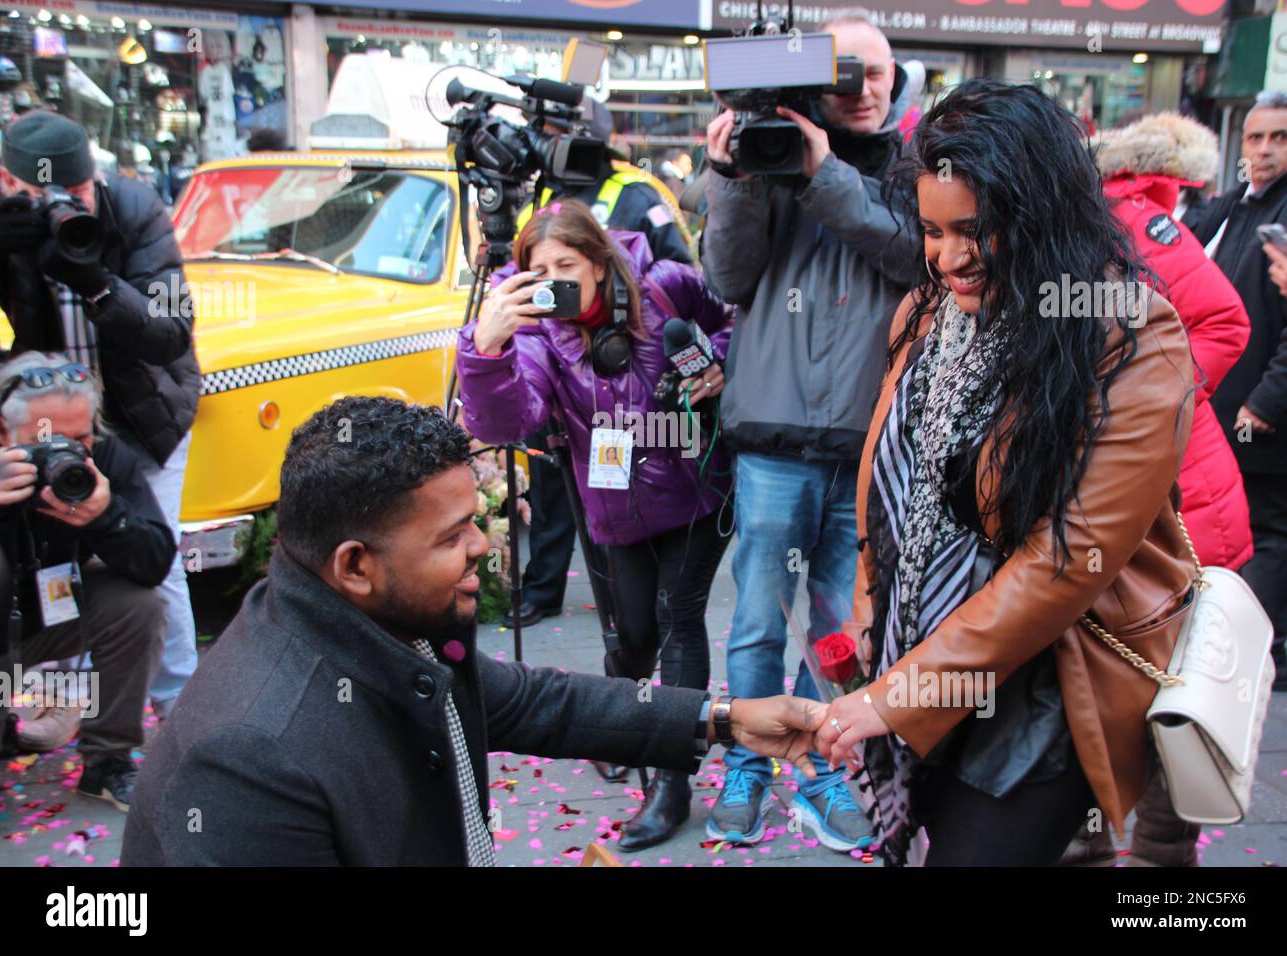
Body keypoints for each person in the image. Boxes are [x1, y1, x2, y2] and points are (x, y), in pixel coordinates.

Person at [121, 397, 825, 866]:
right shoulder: (248, 763)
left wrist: (724, 720)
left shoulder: (384, 624)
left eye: (477, 519)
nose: (484, 547)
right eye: (453, 535)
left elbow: (534, 703)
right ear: (357, 566)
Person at [815, 81, 1198, 867]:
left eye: (975, 231)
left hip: (1049, 687)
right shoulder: (924, 313)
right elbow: (883, 503)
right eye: (930, 230)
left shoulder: (1130, 335)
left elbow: (1065, 565)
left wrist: (900, 692)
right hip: (925, 662)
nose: (949, 257)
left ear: (1039, 217)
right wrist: (873, 645)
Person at [699, 11, 919, 851]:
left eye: (877, 73)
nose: (862, 90)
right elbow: (729, 276)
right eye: (845, 72)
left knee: (837, 626)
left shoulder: (914, 168)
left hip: (868, 446)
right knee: (757, 617)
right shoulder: (766, 155)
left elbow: (908, 256)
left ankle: (829, 764)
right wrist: (735, 176)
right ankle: (750, 763)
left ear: (896, 80)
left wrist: (824, 173)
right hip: (772, 443)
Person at [456, 199, 732, 851]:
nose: (553, 278)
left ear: (601, 261)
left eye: (567, 264)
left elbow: (727, 320)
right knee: (632, 639)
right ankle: (619, 718)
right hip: (610, 503)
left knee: (678, 617)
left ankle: (671, 783)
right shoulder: (536, 333)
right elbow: (504, 424)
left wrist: (718, 363)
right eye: (538, 267)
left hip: (698, 491)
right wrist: (487, 348)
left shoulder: (665, 285)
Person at [1056, 111, 1255, 868]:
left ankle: (1163, 859)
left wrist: (1145, 406)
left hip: (1178, 498)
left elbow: (1222, 321)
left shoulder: (1131, 222)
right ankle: (1086, 843)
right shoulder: (1018, 233)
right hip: (1084, 503)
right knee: (1082, 673)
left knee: (1180, 685)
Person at [0, 110, 202, 732]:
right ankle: (71, 707)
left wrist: (96, 283)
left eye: (77, 195)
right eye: (42, 196)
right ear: (6, 182)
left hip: (141, 415)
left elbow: (171, 331)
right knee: (50, 552)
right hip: (41, 419)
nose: (63, 205)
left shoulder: (133, 207)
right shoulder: (3, 222)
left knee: (154, 565)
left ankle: (181, 711)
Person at [503, 97, 695, 632]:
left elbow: (678, 278)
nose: (548, 145)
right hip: (561, 384)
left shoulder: (633, 192)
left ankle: (637, 600)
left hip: (626, 381)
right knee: (550, 490)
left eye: (557, 133)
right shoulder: (537, 200)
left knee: (633, 495)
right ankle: (543, 588)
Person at [0, 353, 173, 809]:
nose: (66, 456)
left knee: (138, 606)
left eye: (80, 439)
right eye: (48, 441)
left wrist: (107, 517)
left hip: (45, 619)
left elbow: (156, 561)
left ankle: (107, 762)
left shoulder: (102, 458)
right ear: (2, 429)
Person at [1191, 89, 1287, 692]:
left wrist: (1268, 402)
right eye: (1255, 137)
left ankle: (1265, 658)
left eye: (1280, 137)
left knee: (1266, 531)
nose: (1262, 149)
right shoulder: (1235, 205)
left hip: (1263, 411)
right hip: (1223, 407)